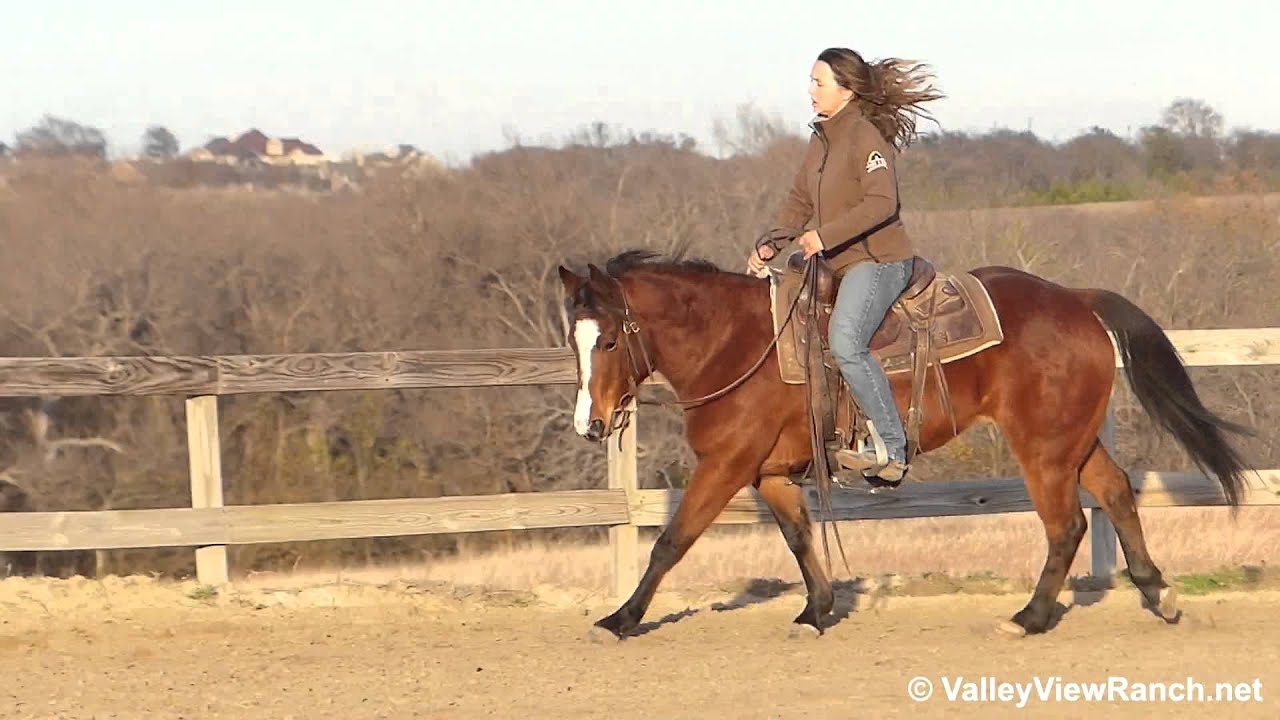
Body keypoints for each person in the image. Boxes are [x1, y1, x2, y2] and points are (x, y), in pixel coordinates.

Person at [747, 47, 943, 481]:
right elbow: (799, 202)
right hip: (838, 264)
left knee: (846, 341)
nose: (810, 90)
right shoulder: (821, 139)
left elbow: (882, 202)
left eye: (819, 83)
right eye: (811, 82)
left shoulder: (864, 137)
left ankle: (893, 449)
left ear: (847, 91)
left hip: (878, 261)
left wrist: (824, 236)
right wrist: (769, 245)